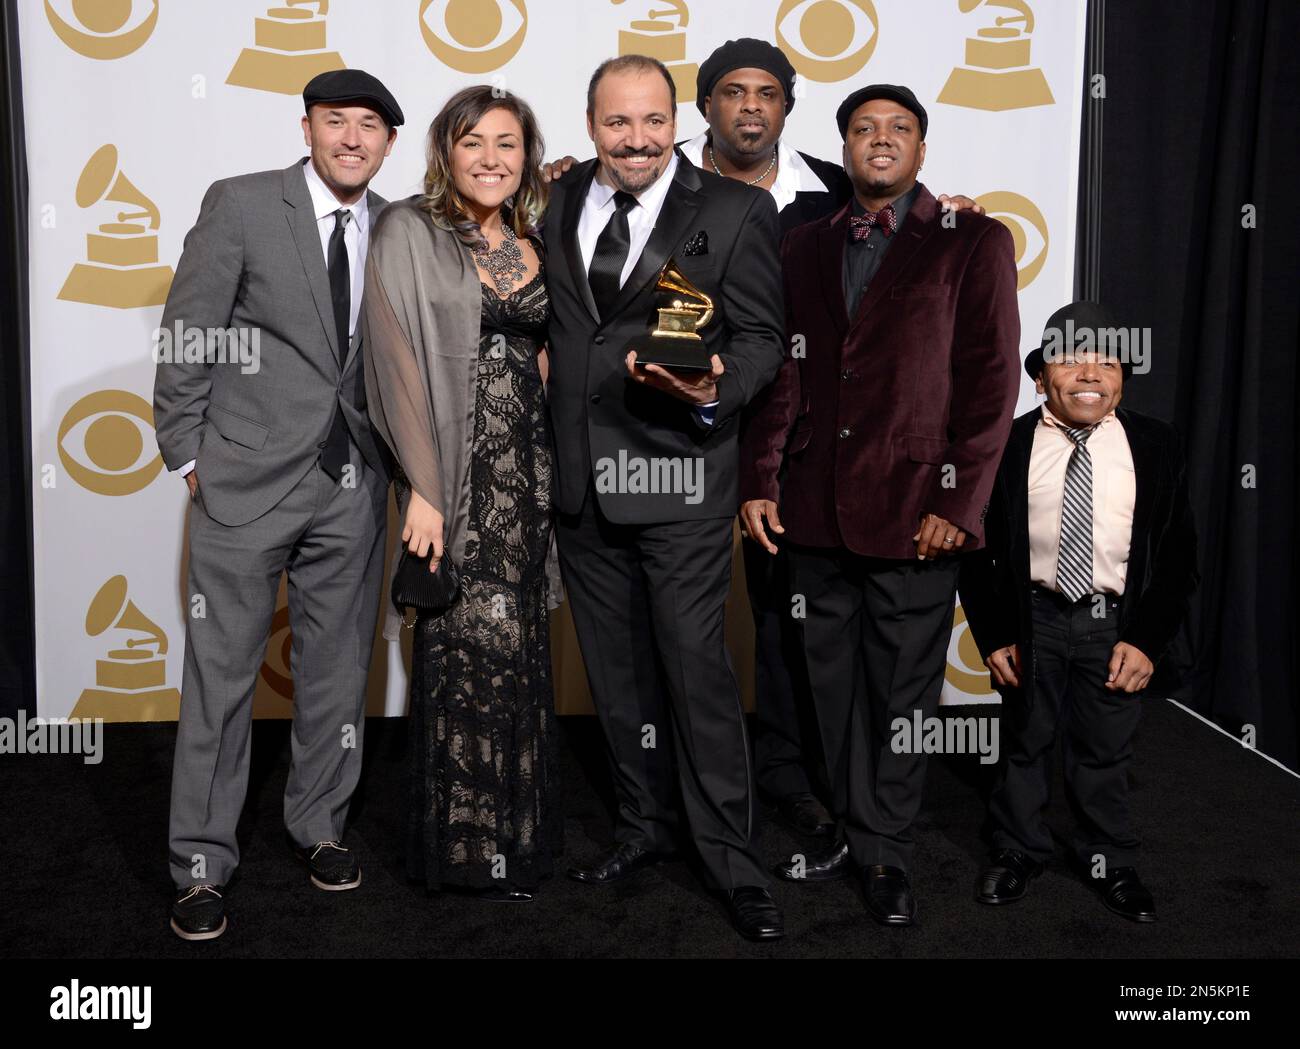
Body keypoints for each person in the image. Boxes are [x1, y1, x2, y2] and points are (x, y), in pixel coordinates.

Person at [689, 38, 985, 841]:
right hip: (722, 461)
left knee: (853, 662)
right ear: (704, 105)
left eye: (768, 93)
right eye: (732, 92)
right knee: (783, 645)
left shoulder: (842, 201)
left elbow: (981, 375)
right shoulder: (673, 185)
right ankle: (786, 794)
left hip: (866, 480)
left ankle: (850, 819)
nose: (751, 107)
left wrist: (956, 496)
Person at [739, 84, 1021, 926]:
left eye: (900, 128)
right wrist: (760, 478)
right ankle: (852, 829)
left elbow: (991, 381)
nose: (881, 139)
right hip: (814, 514)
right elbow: (783, 378)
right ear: (844, 149)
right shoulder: (802, 246)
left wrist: (962, 502)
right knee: (832, 690)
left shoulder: (973, 240)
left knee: (902, 695)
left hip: (918, 513)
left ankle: (887, 850)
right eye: (863, 129)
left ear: (923, 151)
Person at [154, 70, 403, 940]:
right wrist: (188, 452)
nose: (351, 139)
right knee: (219, 681)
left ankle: (321, 824)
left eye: (369, 126)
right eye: (336, 122)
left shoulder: (399, 223)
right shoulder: (243, 203)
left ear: (388, 143)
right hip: (246, 478)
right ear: (306, 128)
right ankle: (198, 863)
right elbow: (191, 328)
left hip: (356, 483)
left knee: (337, 670)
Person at [545, 55, 787, 941]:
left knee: (697, 674)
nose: (636, 139)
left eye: (652, 122)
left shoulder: (734, 210)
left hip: (681, 480)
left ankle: (731, 858)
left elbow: (764, 335)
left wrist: (719, 383)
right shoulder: (560, 202)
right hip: (580, 487)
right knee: (616, 677)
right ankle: (643, 828)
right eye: (617, 124)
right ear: (591, 126)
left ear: (676, 120)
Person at [362, 86, 562, 903]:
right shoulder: (410, 228)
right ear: (445, 151)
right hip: (455, 468)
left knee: (516, 652)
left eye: (507, 144)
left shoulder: (532, 235)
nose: (490, 159)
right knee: (461, 650)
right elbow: (393, 359)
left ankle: (516, 839)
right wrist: (423, 488)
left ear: (529, 156)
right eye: (473, 142)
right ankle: (465, 848)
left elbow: (547, 353)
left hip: (532, 477)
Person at [960, 302, 1199, 923]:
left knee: (1105, 746)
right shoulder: (1007, 445)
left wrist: (1147, 640)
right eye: (1071, 359)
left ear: (1121, 377)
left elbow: (1177, 555)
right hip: (1033, 617)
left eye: (1105, 360)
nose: (1090, 372)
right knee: (1025, 740)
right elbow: (977, 553)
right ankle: (1017, 851)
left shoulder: (1156, 443)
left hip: (1112, 623)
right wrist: (994, 636)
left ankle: (1109, 859)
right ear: (1042, 378)